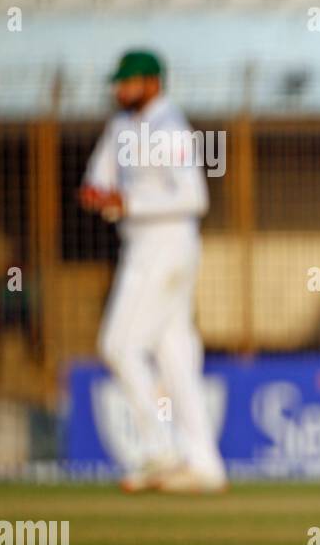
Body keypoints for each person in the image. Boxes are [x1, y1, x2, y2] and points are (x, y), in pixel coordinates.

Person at [78, 49, 226, 494]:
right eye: (118, 83)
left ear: (153, 83)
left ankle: (161, 451)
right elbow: (96, 180)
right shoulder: (121, 127)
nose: (120, 90)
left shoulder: (169, 127)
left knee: (119, 346)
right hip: (138, 245)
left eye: (129, 82)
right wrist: (101, 196)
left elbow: (194, 198)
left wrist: (130, 203)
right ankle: (204, 465)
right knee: (175, 355)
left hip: (167, 246)